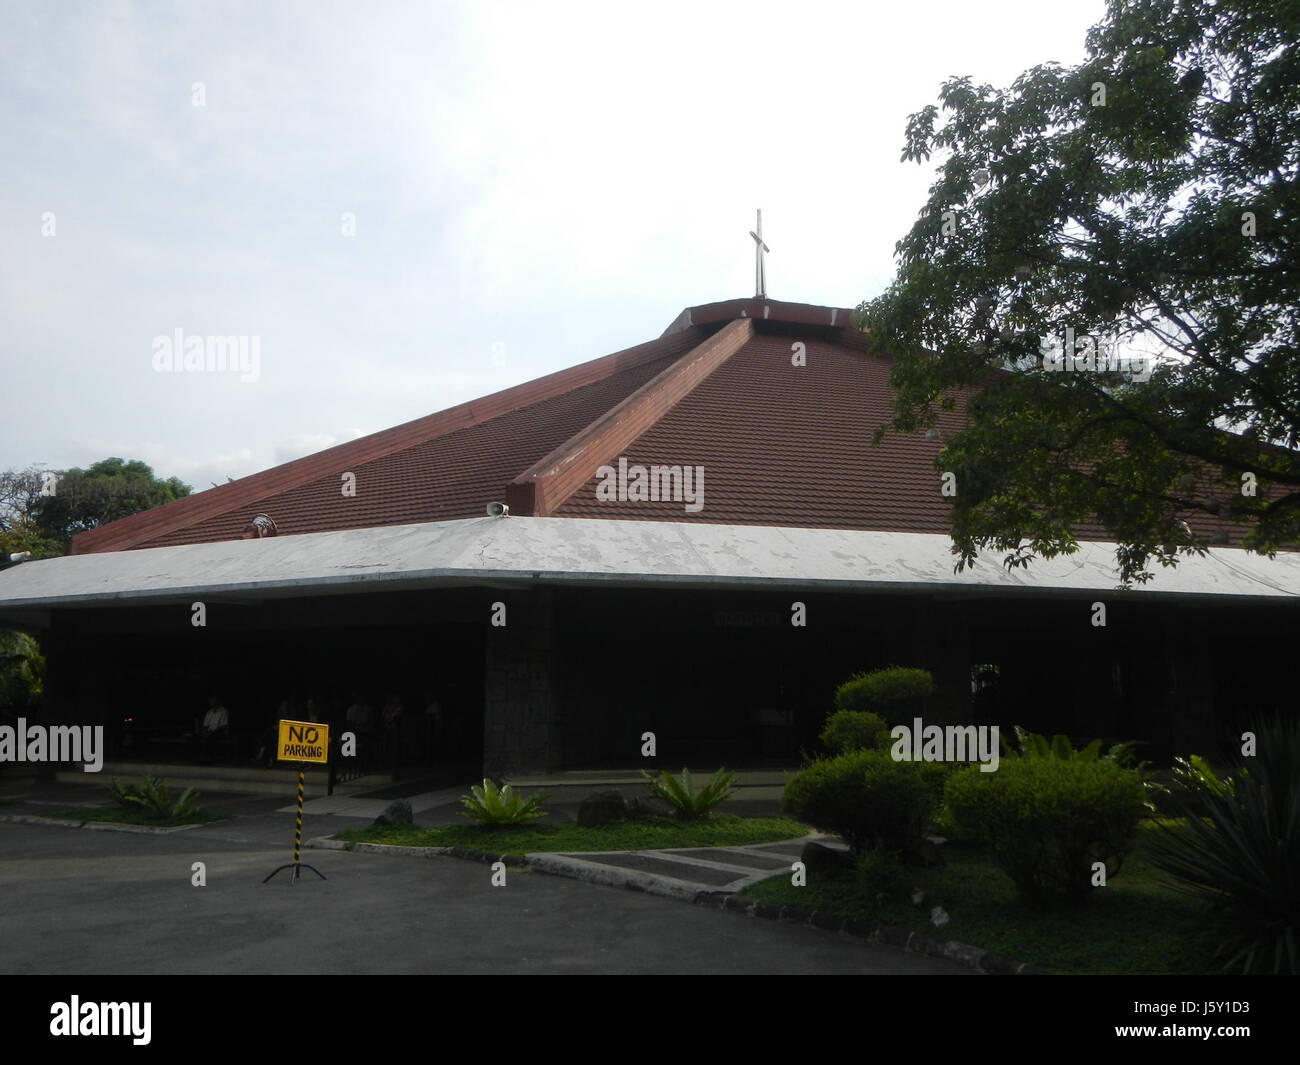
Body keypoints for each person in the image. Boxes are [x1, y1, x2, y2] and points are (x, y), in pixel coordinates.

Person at [198, 695, 230, 764]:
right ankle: (198, 757)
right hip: (210, 731)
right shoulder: (209, 712)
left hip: (219, 731)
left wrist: (211, 732)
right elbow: (205, 725)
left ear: (217, 702)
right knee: (195, 737)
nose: (211, 703)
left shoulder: (223, 711)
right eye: (210, 701)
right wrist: (205, 732)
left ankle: (208, 758)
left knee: (211, 737)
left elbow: (223, 726)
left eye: (213, 701)